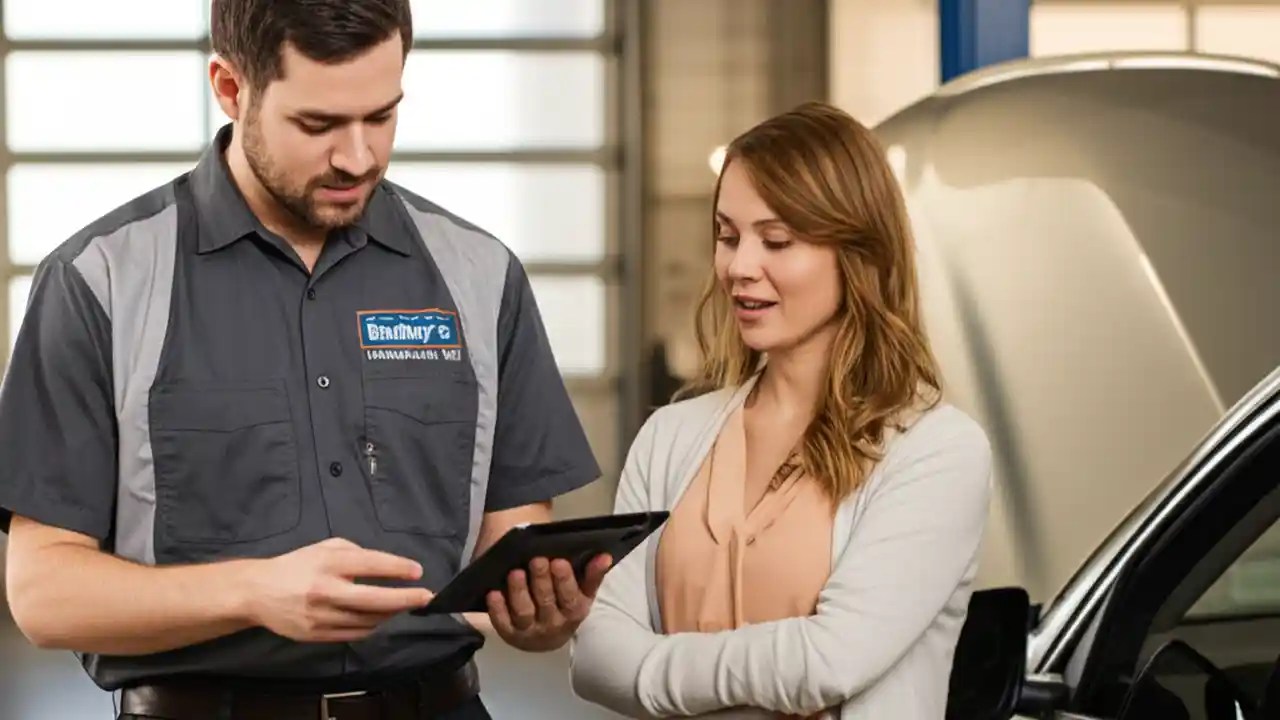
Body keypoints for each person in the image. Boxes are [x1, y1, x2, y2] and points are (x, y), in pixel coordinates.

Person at [0, 1, 612, 718]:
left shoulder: (481, 275)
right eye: (318, 125)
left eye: (381, 116)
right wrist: (254, 592)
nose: (357, 157)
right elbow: (43, 595)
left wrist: (543, 614)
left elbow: (511, 545)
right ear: (231, 88)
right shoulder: (100, 282)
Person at [569, 101, 994, 719]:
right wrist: (757, 668)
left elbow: (830, 661)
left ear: (858, 252)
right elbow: (597, 659)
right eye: (727, 236)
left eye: (776, 240)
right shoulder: (670, 438)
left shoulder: (935, 451)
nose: (739, 267)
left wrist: (652, 671)